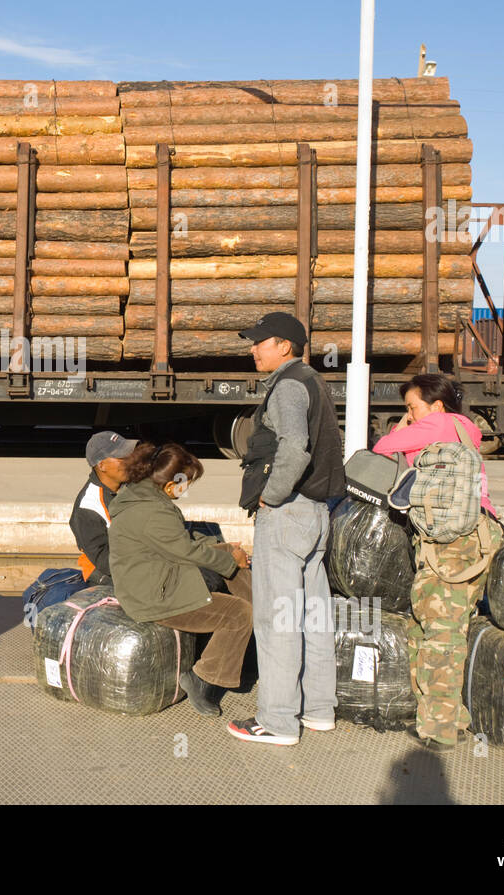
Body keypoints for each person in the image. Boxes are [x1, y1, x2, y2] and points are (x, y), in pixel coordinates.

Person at [231, 311, 346, 746]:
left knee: (277, 620)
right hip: (316, 514)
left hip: (288, 513)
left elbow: (294, 447)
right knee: (312, 617)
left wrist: (271, 496)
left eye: (260, 341)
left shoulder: (288, 386)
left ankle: (277, 721)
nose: (253, 348)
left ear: (284, 346)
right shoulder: (314, 381)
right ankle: (318, 710)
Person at [372, 372, 504, 751]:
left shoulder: (435, 423)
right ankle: (453, 718)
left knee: (439, 635)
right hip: (481, 533)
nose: (410, 414)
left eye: (412, 407)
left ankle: (440, 729)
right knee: (443, 627)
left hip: (448, 542)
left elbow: (384, 446)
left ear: (437, 405)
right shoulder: (467, 428)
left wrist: (406, 425)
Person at [107, 441, 253, 717]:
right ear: (171, 485)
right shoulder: (153, 512)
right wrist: (229, 558)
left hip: (155, 579)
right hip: (155, 597)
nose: (187, 489)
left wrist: (226, 551)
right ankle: (204, 679)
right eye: (187, 483)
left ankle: (266, 625)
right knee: (239, 614)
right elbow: (185, 549)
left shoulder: (142, 496)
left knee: (225, 553)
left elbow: (178, 540)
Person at [69, 431, 137, 586]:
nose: (130, 461)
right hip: (108, 575)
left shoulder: (131, 485)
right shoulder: (88, 507)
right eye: (122, 458)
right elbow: (104, 561)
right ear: (102, 465)